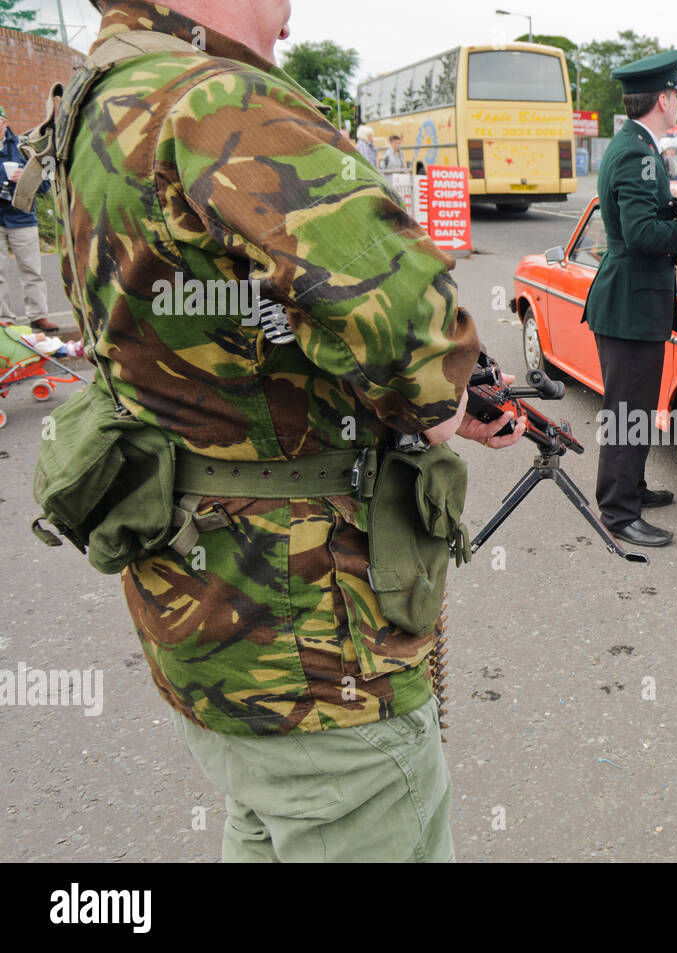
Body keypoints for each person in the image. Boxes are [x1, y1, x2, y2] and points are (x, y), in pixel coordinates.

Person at [64, 0, 525, 862]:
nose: (290, 19)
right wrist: (453, 397)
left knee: (267, 819)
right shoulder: (215, 104)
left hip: (203, 611)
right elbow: (413, 334)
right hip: (311, 639)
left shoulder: (100, 100)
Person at [581, 49, 677, 548]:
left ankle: (632, 487)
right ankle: (617, 512)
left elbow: (644, 219)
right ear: (663, 98)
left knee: (636, 406)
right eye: (675, 94)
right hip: (630, 302)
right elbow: (643, 232)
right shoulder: (636, 151)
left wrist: (670, 212)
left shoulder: (634, 144)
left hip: (632, 299)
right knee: (627, 410)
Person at [0, 104, 55, 332]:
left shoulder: (23, 146)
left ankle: (38, 315)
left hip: (23, 218)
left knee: (32, 270)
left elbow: (45, 183)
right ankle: (4, 318)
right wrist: (4, 176)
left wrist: (27, 176)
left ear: (4, 122)